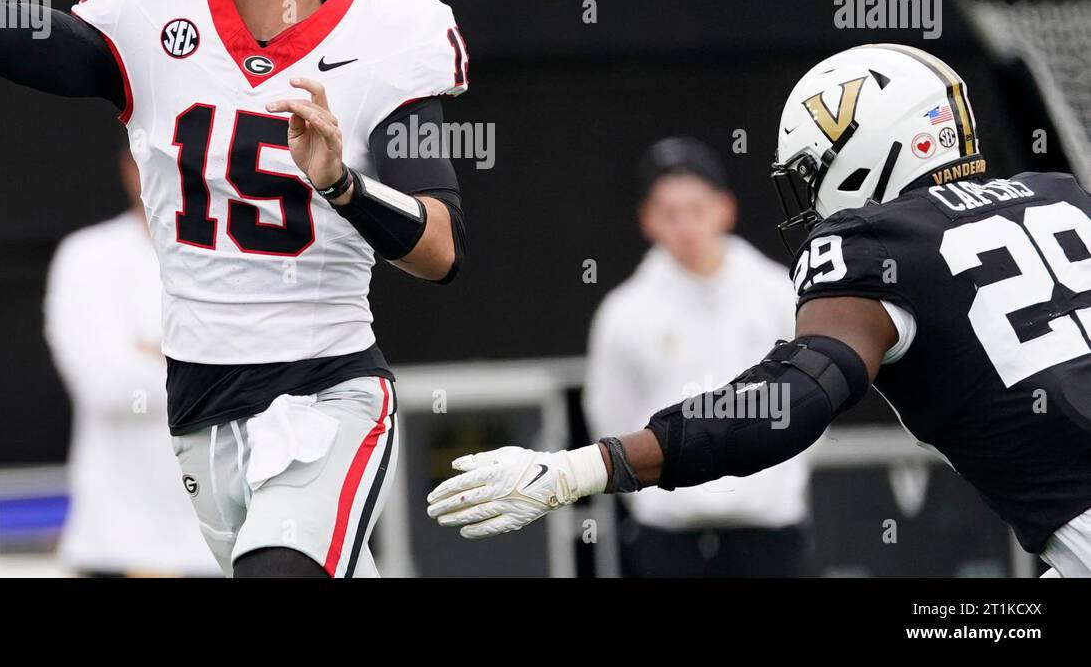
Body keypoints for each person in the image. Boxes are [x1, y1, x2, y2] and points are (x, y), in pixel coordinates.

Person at [0, 0, 470, 578]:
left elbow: (442, 251)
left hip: (326, 389)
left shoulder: (392, 31)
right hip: (201, 401)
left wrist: (340, 185)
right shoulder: (149, 7)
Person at [429, 44, 1091, 578]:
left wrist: (582, 467)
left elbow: (788, 402)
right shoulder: (1064, 197)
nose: (810, 193)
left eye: (815, 168)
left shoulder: (875, 247)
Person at [585, 137, 807, 576]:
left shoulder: (779, 293)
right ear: (647, 220)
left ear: (725, 208)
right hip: (667, 537)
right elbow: (610, 414)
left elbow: (811, 398)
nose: (685, 225)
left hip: (768, 530)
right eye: (669, 212)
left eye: (697, 208)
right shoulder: (624, 312)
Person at [44, 150, 221, 577]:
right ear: (129, 168)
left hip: (225, 550)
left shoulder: (234, 259)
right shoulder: (86, 256)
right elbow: (105, 385)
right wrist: (210, 364)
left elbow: (267, 383)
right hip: (116, 546)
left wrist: (154, 353)